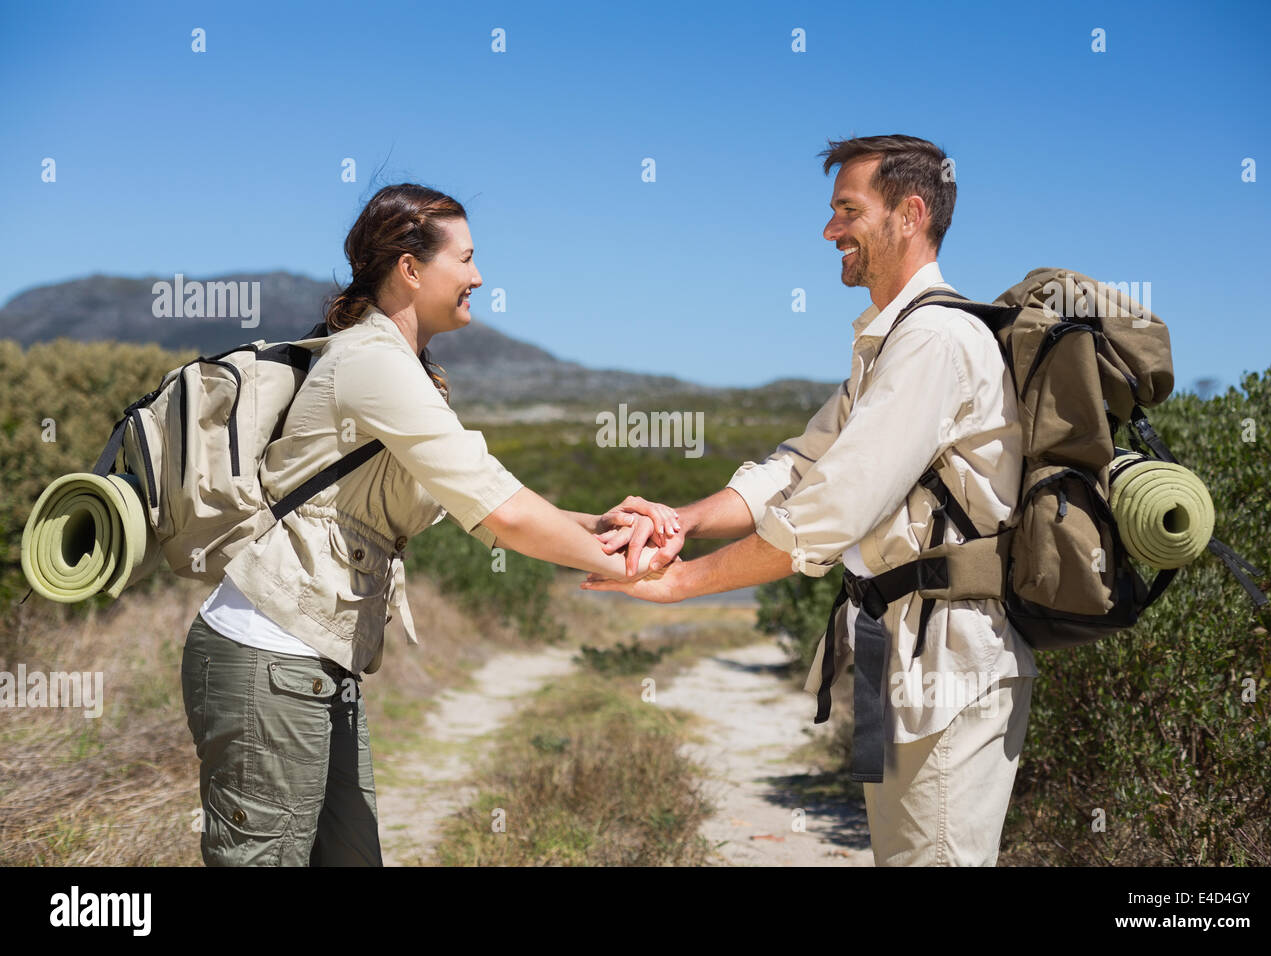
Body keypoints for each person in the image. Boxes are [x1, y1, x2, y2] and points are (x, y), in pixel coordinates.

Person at [180, 183, 670, 867]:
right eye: (465, 259)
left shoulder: (399, 366)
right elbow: (499, 512)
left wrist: (596, 524)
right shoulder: (373, 363)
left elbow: (483, 491)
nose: (478, 276)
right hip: (269, 652)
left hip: (315, 658)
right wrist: (635, 568)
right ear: (410, 269)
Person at [585, 134, 1038, 866]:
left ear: (909, 213)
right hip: (889, 650)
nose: (830, 231)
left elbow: (829, 512)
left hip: (949, 663)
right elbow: (795, 468)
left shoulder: (936, 343)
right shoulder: (890, 345)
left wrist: (684, 583)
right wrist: (682, 522)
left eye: (846, 210)